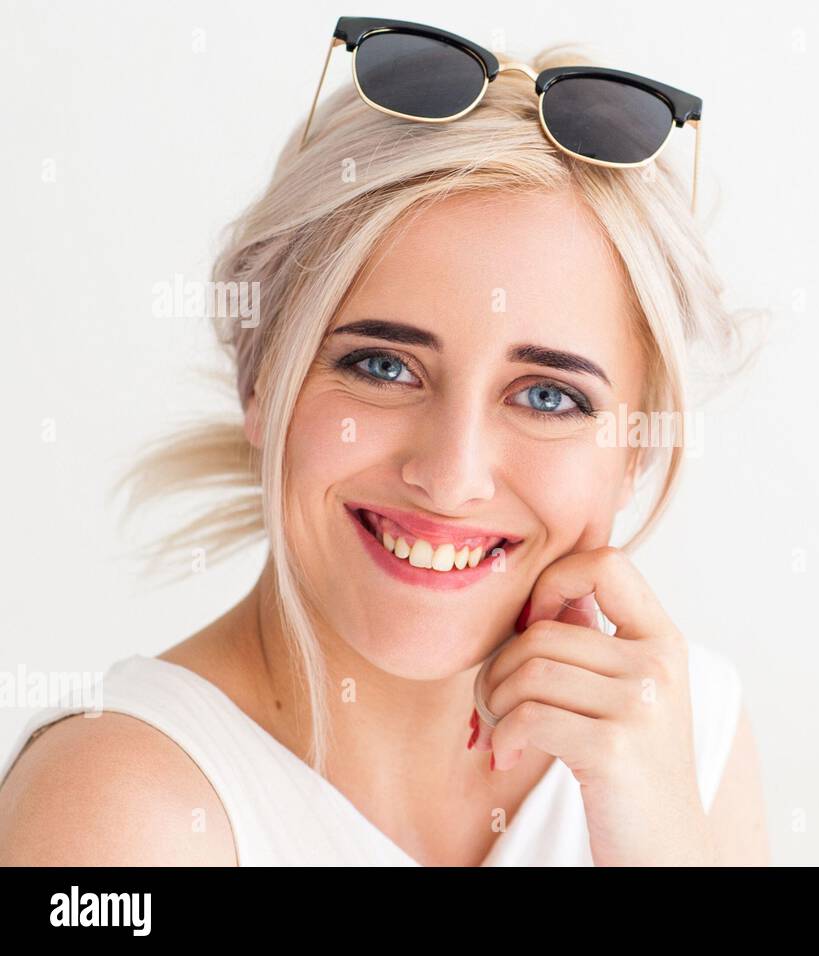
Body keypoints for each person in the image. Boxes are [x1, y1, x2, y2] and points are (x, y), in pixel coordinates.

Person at [0, 31, 767, 866]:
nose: (450, 475)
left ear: (635, 451)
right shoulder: (117, 809)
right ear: (262, 383)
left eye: (549, 396)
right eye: (383, 366)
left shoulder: (687, 738)